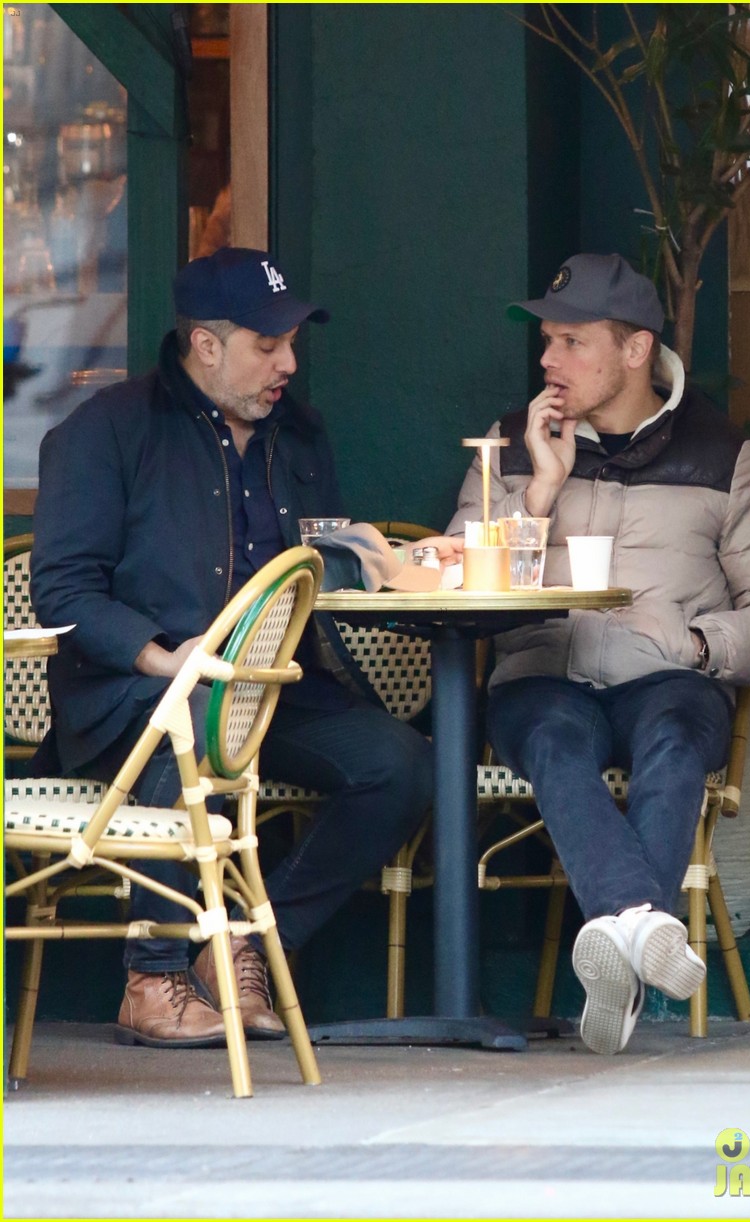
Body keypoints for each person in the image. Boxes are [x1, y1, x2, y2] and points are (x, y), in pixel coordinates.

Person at [30, 246, 460, 1050]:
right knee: (197, 709)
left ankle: (246, 948)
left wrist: (377, 563)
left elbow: (314, 562)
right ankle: (151, 976)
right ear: (206, 345)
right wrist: (166, 653)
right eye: (269, 346)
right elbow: (63, 592)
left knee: (403, 765)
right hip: (137, 698)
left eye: (292, 342)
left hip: (274, 688)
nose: (288, 363)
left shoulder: (298, 435)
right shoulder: (107, 431)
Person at [448, 253, 750, 1055]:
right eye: (547, 341)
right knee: (552, 738)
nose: (548, 361)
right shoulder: (512, 447)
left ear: (636, 350)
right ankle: (645, 924)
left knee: (678, 733)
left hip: (669, 681)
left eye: (572, 342)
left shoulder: (724, 456)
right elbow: (455, 573)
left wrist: (697, 642)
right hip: (544, 675)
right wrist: (539, 495)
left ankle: (618, 934)